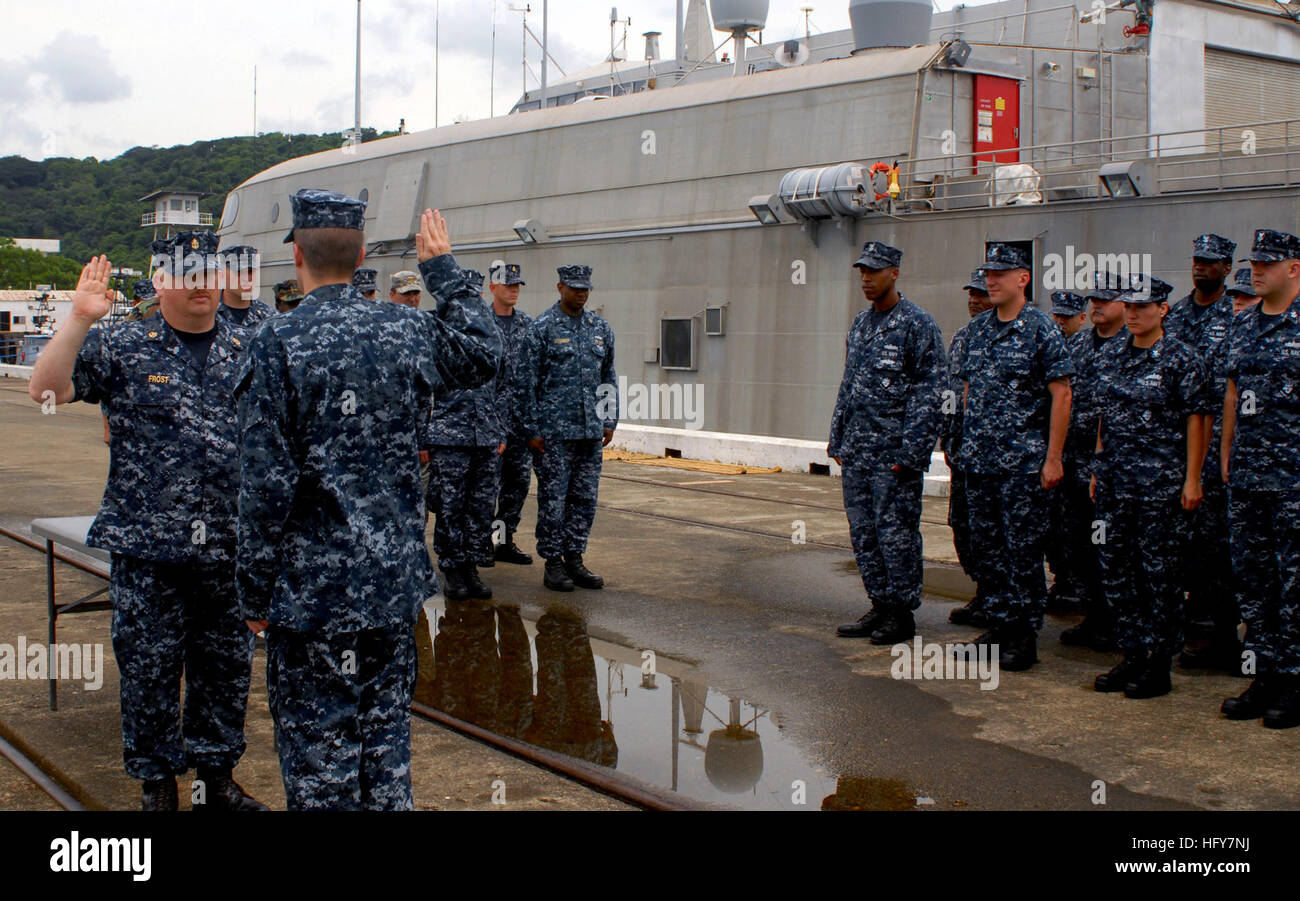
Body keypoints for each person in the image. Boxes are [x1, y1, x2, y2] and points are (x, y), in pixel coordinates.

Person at [236, 193, 501, 809]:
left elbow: (264, 487)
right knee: (386, 759)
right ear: (360, 257)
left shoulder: (277, 340)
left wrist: (253, 594)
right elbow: (484, 355)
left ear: (296, 255)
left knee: (319, 768)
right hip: (390, 590)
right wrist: (444, 271)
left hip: (311, 603)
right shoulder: (405, 328)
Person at [28, 231, 264, 812]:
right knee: (149, 671)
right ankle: (158, 786)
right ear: (159, 283)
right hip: (148, 546)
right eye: (186, 275)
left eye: (209, 272)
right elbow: (46, 391)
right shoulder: (123, 344)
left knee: (225, 670)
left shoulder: (254, 345)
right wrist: (79, 320)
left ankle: (215, 781)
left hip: (228, 548)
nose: (201, 286)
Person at [1090, 274, 1210, 698]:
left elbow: (1197, 418)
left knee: (1159, 577)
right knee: (1118, 573)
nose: (1135, 313)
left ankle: (1159, 665)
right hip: (1115, 484)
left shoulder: (1181, 358)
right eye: (1131, 306)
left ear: (1162, 309)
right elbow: (1106, 415)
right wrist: (1097, 468)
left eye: (1144, 307)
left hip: (1160, 487)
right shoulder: (1112, 356)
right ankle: (1132, 656)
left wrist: (1193, 478)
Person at [955, 243, 1073, 671]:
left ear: (1023, 278)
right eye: (988, 272)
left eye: (1001, 273)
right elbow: (970, 389)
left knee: (1022, 551)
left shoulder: (1041, 328)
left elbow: (1061, 394)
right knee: (988, 549)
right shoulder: (979, 329)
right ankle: (1000, 625)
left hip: (1022, 465)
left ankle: (1024, 635)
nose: (991, 280)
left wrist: (1053, 458)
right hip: (980, 463)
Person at [829, 242, 947, 643]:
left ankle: (901, 613)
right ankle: (879, 604)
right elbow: (849, 385)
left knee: (896, 534)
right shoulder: (861, 324)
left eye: (875, 271)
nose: (867, 278)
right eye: (862, 271)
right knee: (864, 534)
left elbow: (929, 391)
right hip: (858, 452)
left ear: (894, 273)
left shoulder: (917, 324)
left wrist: (912, 453)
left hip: (894, 455)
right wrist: (837, 440)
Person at [1219, 228, 1300, 728]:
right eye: (1255, 263)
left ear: (1294, 268)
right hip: (1249, 477)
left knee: (1295, 585)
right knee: (1255, 583)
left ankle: (1294, 681)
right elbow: (1230, 393)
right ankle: (1266, 674)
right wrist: (1226, 455)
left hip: (1293, 481)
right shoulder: (1243, 326)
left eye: (1268, 263)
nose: (1257, 270)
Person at [1162, 234, 1240, 672]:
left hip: (1219, 449)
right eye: (1197, 260)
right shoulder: (1175, 314)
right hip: (1176, 448)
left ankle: (1221, 635)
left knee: (1220, 550)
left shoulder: (1237, 314)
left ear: (1226, 268)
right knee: (1181, 547)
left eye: (1211, 263)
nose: (1201, 268)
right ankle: (1186, 627)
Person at [514, 264, 617, 592]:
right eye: (574, 288)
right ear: (560, 287)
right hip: (554, 435)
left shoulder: (599, 328)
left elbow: (608, 377)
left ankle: (575, 557)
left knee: (584, 498)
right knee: (554, 499)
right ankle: (553, 562)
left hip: (589, 432)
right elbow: (525, 382)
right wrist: (531, 429)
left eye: (586, 287)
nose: (581, 293)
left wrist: (609, 419)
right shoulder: (542, 328)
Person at [1058, 270, 1128, 651]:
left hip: (1113, 469)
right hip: (1074, 464)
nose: (1096, 305)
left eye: (1105, 300)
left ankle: (1120, 622)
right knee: (1080, 545)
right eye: (1094, 299)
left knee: (1112, 547)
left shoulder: (1133, 346)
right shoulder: (1079, 346)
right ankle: (1094, 614)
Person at [425, 268, 506, 601]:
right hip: (448, 435)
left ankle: (471, 564)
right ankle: (452, 567)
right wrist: (423, 438)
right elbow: (421, 389)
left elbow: (502, 386)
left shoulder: (488, 335)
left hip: (485, 433)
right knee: (449, 505)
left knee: (481, 505)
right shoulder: (435, 331)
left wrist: (500, 429)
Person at [945, 270, 993, 626]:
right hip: (963, 450)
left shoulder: (1016, 335)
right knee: (962, 522)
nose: (974, 300)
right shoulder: (963, 336)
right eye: (971, 294)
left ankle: (998, 599)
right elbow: (949, 390)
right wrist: (947, 436)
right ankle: (982, 590)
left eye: (981, 294)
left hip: (996, 454)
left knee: (993, 530)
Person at [489, 262, 536, 565]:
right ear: (492, 287)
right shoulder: (479, 323)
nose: (514, 290)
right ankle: (482, 543)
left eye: (517, 285)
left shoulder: (527, 325)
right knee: (485, 487)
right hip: (489, 421)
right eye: (508, 285)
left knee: (517, 484)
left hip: (520, 422)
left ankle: (502, 542)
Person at [1045, 290, 1089, 608]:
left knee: (1081, 526)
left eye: (1066, 317)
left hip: (1083, 457)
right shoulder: (1048, 348)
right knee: (1054, 525)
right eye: (1056, 315)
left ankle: (1081, 586)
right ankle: (1062, 580)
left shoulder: (1086, 349)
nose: (1059, 322)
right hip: (1055, 451)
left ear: (1082, 319)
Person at [216, 244, 274, 328]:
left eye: (250, 271)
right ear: (222, 275)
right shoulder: (207, 314)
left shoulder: (269, 316)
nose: (247, 278)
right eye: (239, 272)